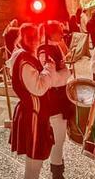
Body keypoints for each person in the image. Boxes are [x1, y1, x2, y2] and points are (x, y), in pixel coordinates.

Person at [8, 23, 72, 179]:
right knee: (34, 160)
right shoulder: (25, 60)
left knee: (37, 156)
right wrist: (49, 68)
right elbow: (38, 88)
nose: (34, 40)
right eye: (32, 37)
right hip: (33, 114)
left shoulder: (26, 56)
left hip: (37, 112)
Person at [36, 21, 73, 172]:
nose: (62, 34)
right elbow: (52, 78)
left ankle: (57, 164)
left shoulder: (55, 47)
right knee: (58, 135)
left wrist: (64, 72)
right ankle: (56, 168)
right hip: (53, 97)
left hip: (60, 95)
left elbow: (62, 71)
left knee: (61, 134)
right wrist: (64, 73)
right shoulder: (44, 50)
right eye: (59, 31)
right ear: (50, 33)